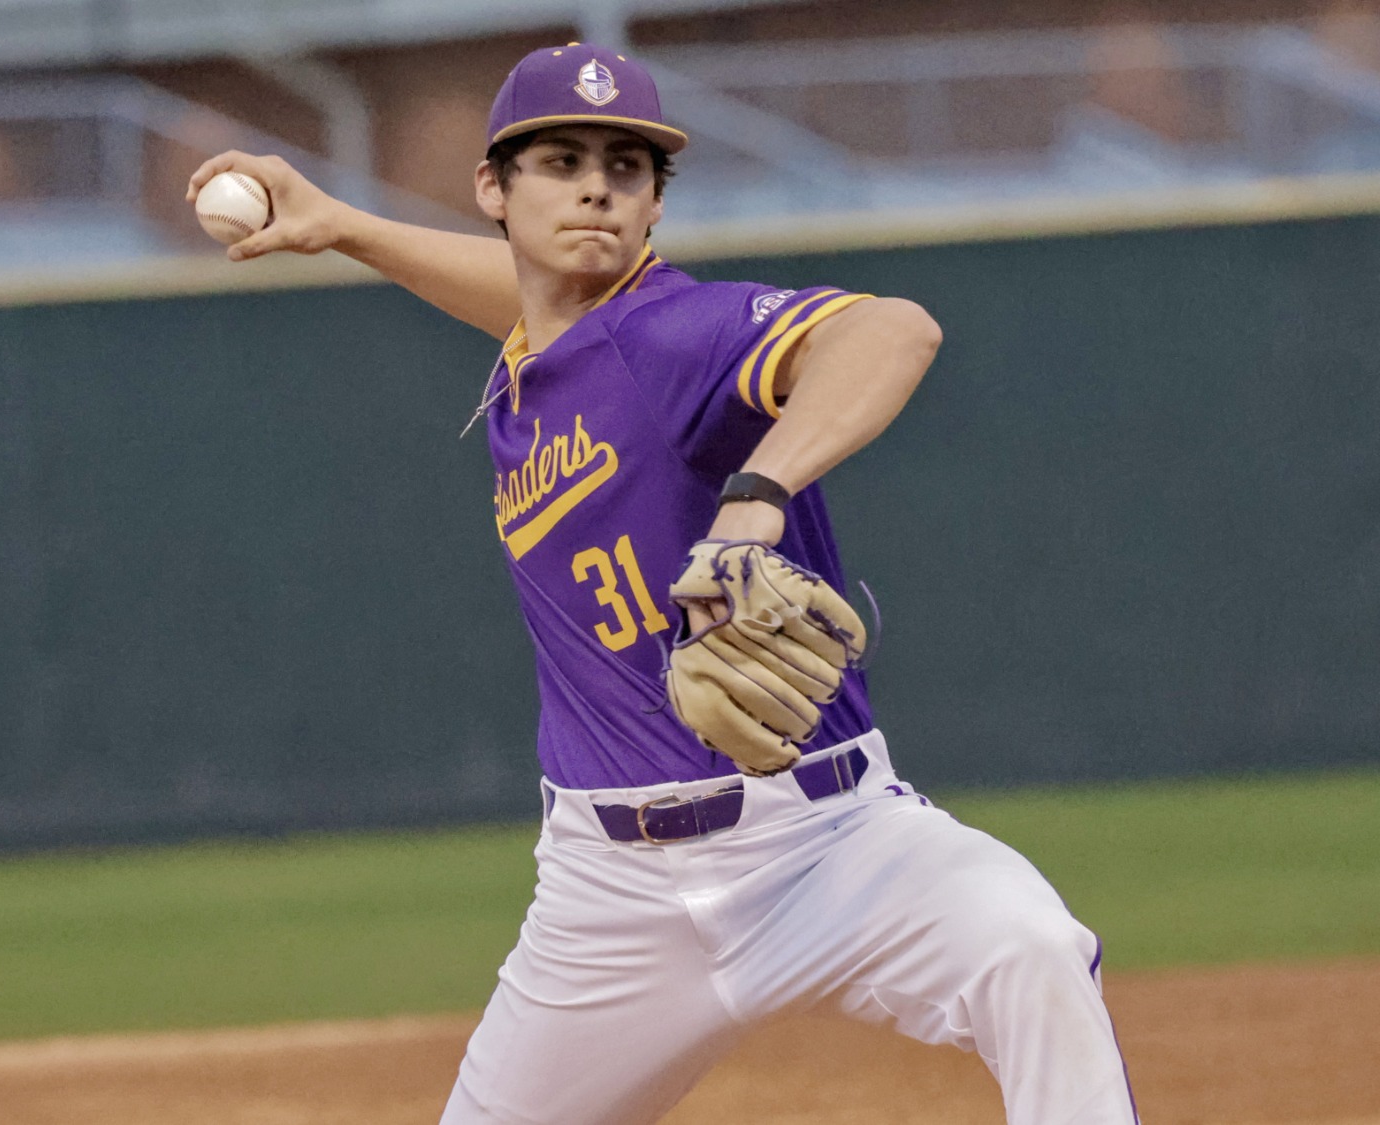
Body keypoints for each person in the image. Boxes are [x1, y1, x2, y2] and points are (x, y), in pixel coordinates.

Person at [188, 42, 1138, 1125]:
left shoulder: (674, 336)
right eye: (559, 159)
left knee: (1027, 949)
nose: (596, 183)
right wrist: (346, 225)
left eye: (626, 167)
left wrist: (758, 490)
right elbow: (526, 293)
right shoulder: (541, 345)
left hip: (828, 841)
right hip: (610, 899)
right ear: (491, 189)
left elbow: (893, 329)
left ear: (651, 208)